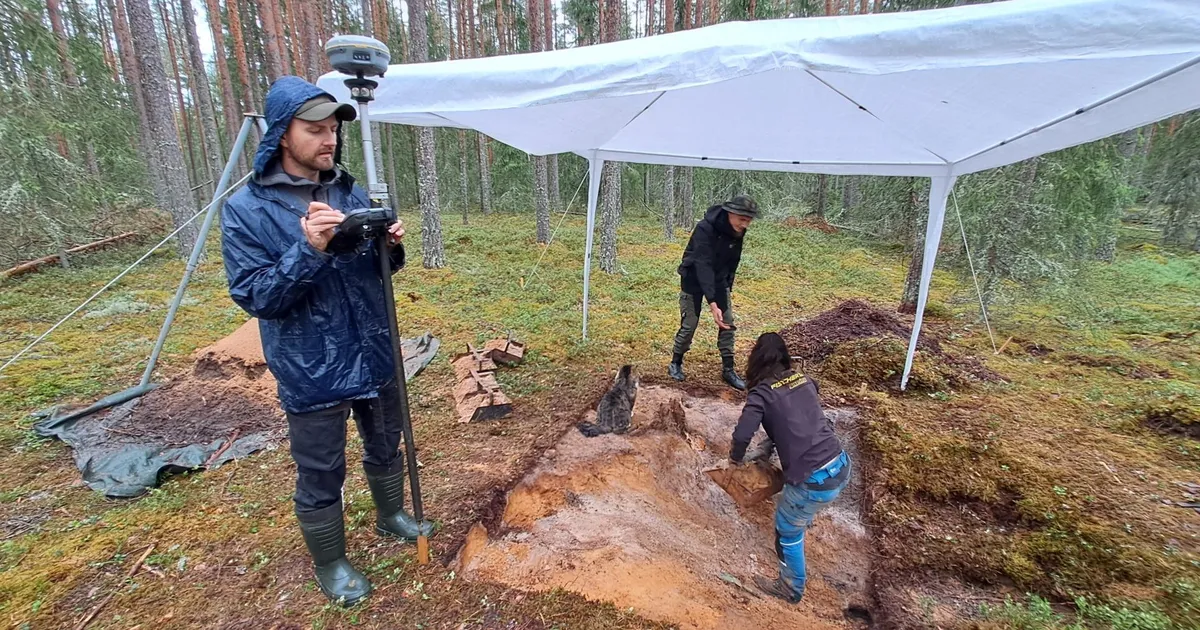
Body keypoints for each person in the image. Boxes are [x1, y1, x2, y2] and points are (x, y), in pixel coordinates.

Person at [220, 76, 432, 606]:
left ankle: (390, 515)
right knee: (321, 470)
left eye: (333, 130)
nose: (329, 140)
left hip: (374, 348)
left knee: (386, 442)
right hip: (312, 363)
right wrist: (309, 249)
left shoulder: (348, 190)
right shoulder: (247, 209)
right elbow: (257, 297)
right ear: (281, 134)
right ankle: (332, 562)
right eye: (314, 130)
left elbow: (378, 272)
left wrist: (389, 245)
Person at [728, 332, 850, 603]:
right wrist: (772, 442)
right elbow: (798, 412)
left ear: (755, 360)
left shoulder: (760, 393)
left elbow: (742, 434)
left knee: (787, 531)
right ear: (784, 356)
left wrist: (735, 460)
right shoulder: (804, 379)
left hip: (814, 479)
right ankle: (803, 519)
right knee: (799, 509)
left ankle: (790, 588)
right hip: (840, 464)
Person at [669, 195, 758, 390]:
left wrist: (725, 290)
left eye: (749, 220)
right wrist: (712, 302)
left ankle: (728, 369)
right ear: (730, 213)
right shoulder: (705, 228)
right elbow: (703, 265)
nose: (745, 225)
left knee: (727, 322)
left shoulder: (738, 231)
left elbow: (733, 261)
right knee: (690, 324)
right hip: (693, 277)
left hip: (718, 280)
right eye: (742, 219)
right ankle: (676, 361)